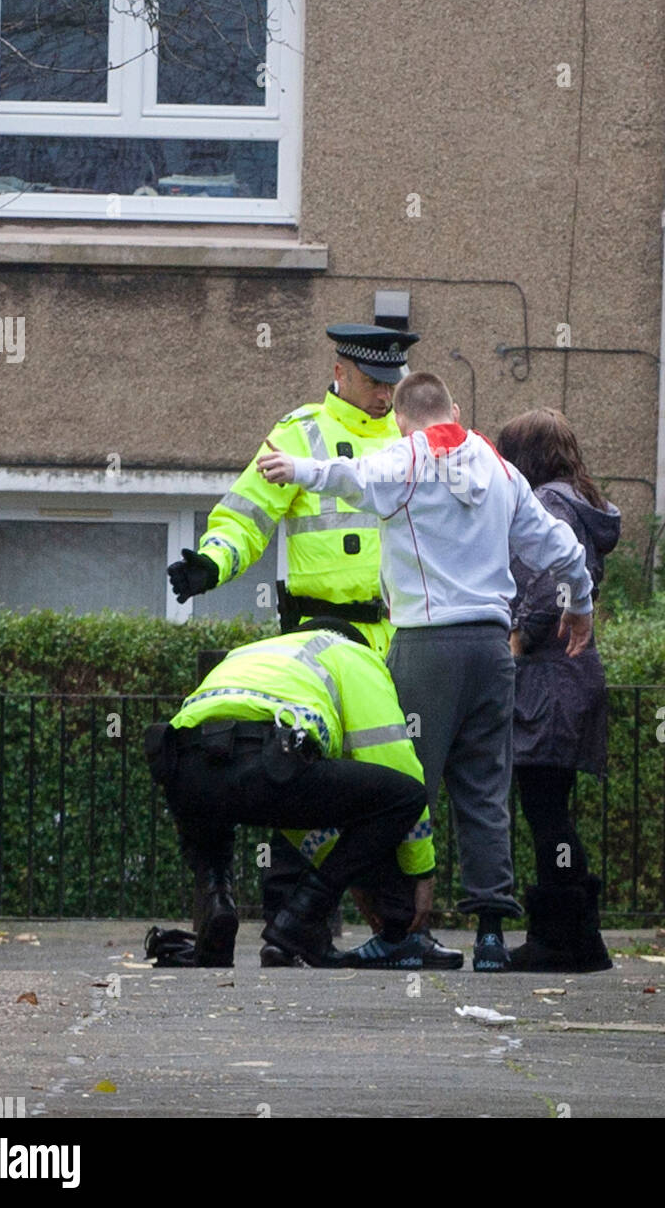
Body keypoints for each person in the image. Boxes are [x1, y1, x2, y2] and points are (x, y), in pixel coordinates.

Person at [258, 371, 595, 971]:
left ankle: (403, 931)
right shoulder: (499, 469)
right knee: (486, 791)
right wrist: (581, 604)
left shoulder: (406, 458)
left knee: (405, 789)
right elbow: (558, 544)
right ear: (455, 410)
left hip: (425, 645)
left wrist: (298, 469)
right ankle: (490, 937)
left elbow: (352, 477)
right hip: (492, 650)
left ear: (401, 420)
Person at [165, 322, 460, 970]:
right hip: (319, 635)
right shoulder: (301, 432)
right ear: (340, 372)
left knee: (393, 777)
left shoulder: (411, 438)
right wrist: (213, 563)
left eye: (391, 383)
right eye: (373, 382)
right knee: (299, 771)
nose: (384, 395)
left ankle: (394, 927)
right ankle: (295, 926)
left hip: (398, 633)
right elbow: (247, 514)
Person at [141, 619, 436, 969]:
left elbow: (301, 823)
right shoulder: (355, 654)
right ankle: (300, 920)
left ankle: (217, 905)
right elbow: (394, 761)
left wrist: (350, 872)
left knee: (212, 804)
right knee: (407, 795)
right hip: (272, 760)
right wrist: (421, 871)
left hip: (182, 766)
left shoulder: (253, 652)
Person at [496, 409, 621, 972]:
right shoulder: (580, 501)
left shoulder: (548, 503)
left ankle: (558, 940)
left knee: (544, 810)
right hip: (573, 674)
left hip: (548, 677)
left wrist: (517, 640)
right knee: (552, 809)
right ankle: (581, 940)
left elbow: (553, 587)